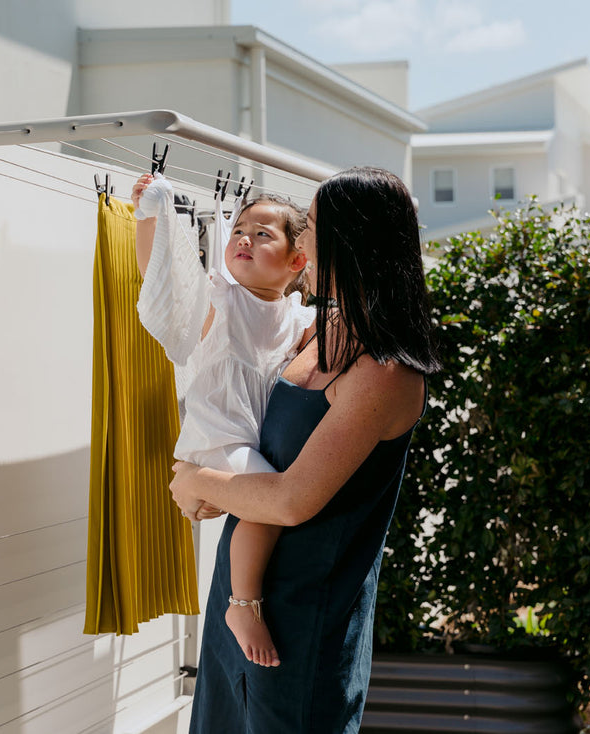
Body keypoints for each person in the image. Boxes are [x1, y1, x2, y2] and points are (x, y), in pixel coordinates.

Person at [169, 166, 441, 732]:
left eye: (312, 225)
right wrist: (229, 489)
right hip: (239, 593)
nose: (305, 237)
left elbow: (292, 499)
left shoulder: (385, 372)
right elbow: (268, 451)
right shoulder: (317, 329)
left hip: (303, 614)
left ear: (349, 240)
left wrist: (194, 482)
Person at [130, 172, 315, 668]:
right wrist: (150, 216)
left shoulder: (298, 317)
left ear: (297, 261)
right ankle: (242, 606)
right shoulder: (223, 297)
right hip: (217, 437)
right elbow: (162, 279)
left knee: (264, 496)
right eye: (239, 231)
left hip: (252, 441)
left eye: (262, 234)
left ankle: (240, 587)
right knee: (266, 498)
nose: (243, 240)